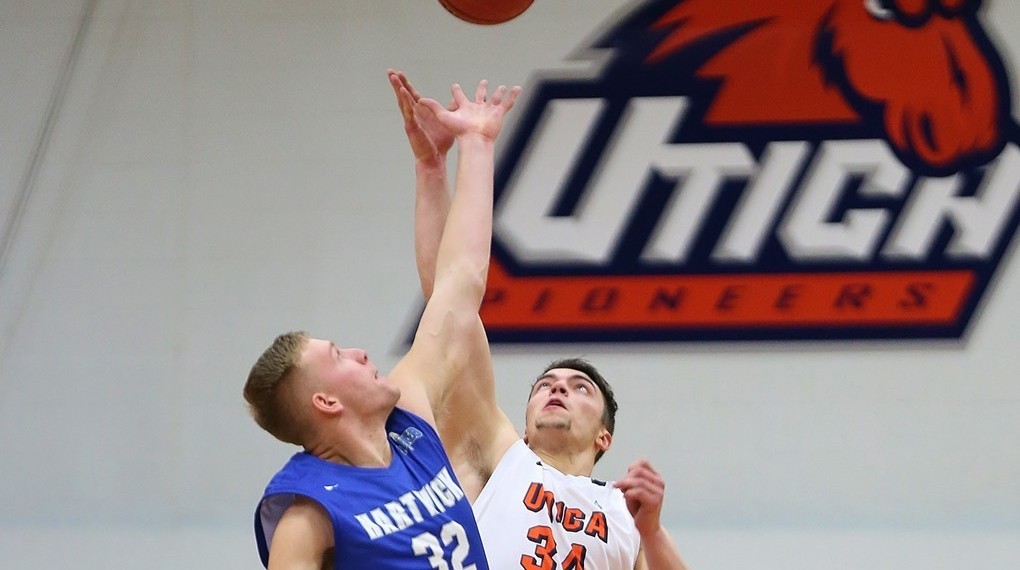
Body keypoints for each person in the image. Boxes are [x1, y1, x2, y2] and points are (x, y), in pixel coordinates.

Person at [389, 69, 689, 570]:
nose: (557, 389)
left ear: (604, 439)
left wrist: (652, 532)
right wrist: (434, 167)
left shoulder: (620, 515)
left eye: (579, 388)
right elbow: (451, 310)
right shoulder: (500, 457)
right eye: (546, 383)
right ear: (525, 426)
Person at [244, 72, 521, 570]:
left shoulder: (410, 419)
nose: (360, 352)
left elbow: (458, 287)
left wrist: (464, 150)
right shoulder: (307, 515)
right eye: (338, 357)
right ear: (326, 401)